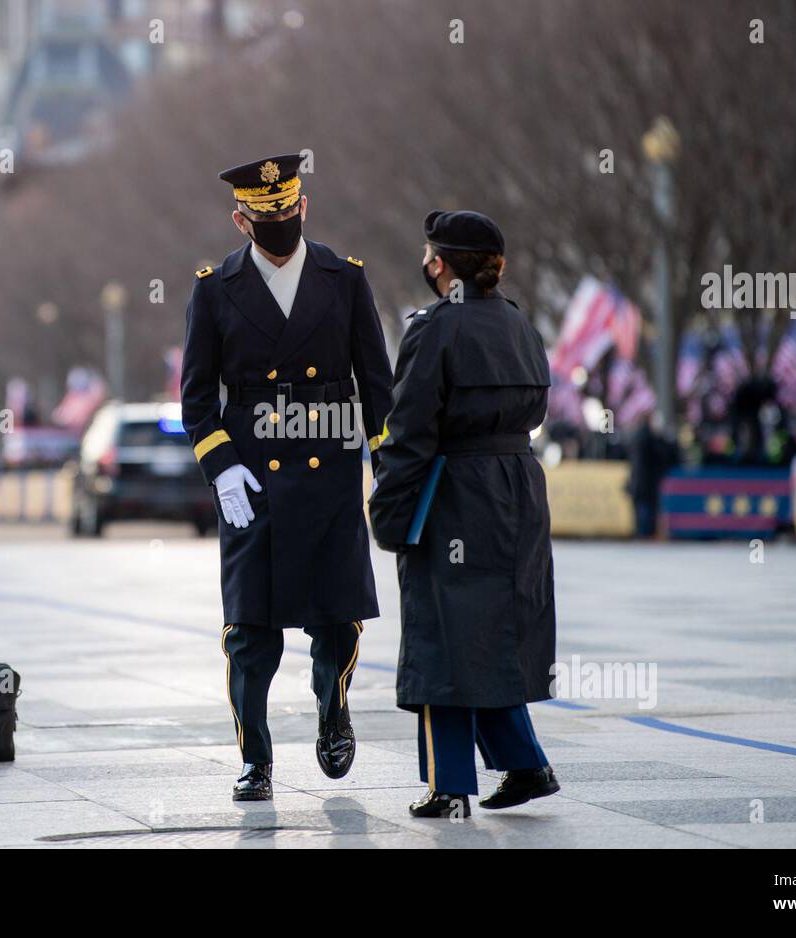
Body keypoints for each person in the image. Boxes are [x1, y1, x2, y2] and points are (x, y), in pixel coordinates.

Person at [181, 153, 394, 800]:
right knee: (249, 631)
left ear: (302, 208)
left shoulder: (345, 278)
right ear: (240, 220)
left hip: (327, 471)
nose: (278, 224)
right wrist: (220, 469)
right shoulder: (214, 289)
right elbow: (196, 400)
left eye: (287, 211)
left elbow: (375, 385)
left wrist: (388, 466)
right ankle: (256, 757)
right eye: (263, 216)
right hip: (253, 478)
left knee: (337, 619)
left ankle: (332, 707)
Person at [369, 210, 560, 819]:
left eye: (430, 254)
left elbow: (410, 433)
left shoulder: (433, 330)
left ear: (443, 264)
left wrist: (390, 509)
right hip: (519, 492)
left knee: (442, 637)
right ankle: (526, 765)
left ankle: (449, 785)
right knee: (493, 632)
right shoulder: (519, 324)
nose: (425, 265)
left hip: (452, 493)